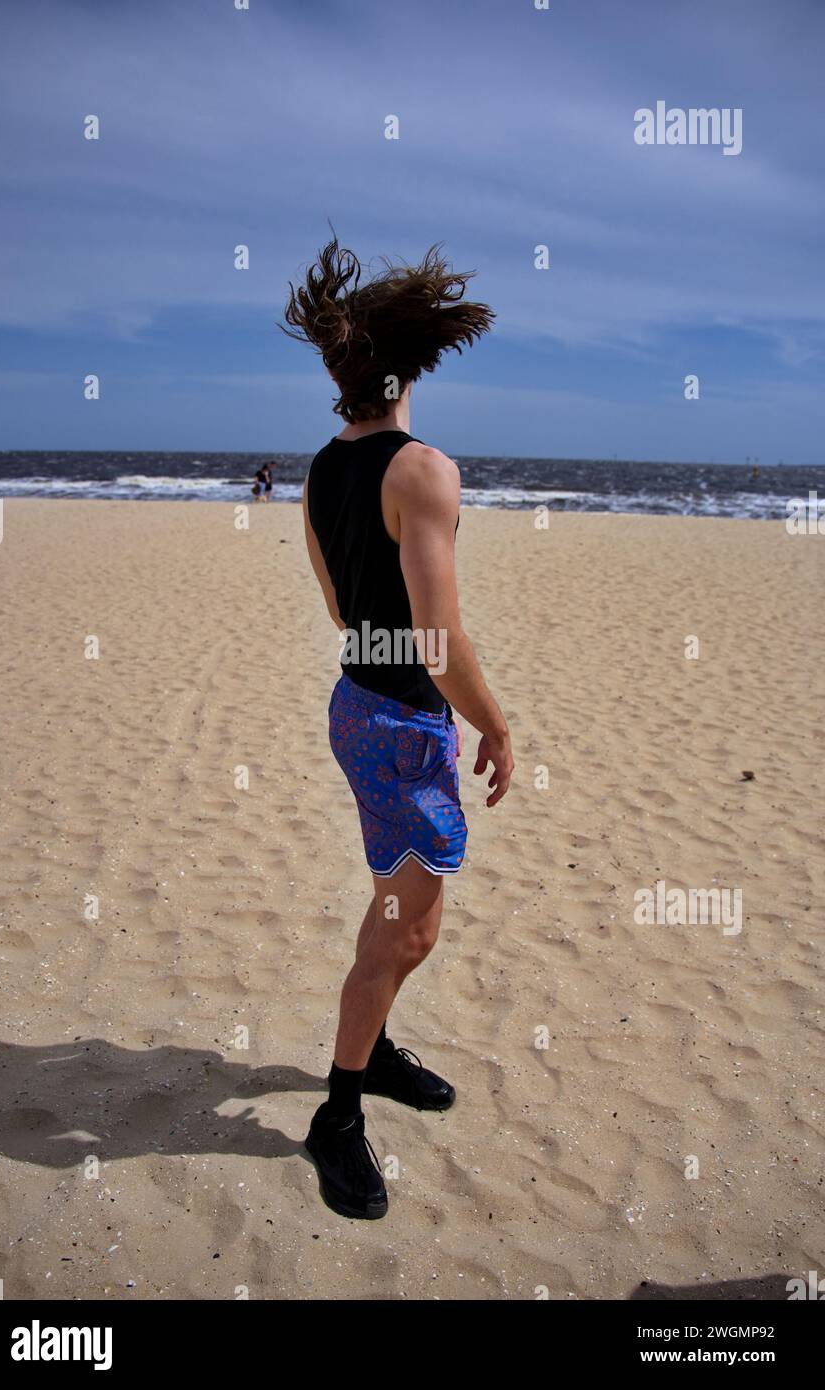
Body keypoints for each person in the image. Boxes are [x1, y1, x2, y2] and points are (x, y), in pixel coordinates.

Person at [281, 236, 514, 1219]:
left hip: (355, 707)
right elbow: (431, 638)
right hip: (401, 724)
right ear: (410, 363)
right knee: (404, 930)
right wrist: (497, 723)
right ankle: (338, 1113)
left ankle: (370, 1052)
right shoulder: (422, 470)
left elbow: (346, 614)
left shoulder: (321, 470)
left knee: (403, 919)